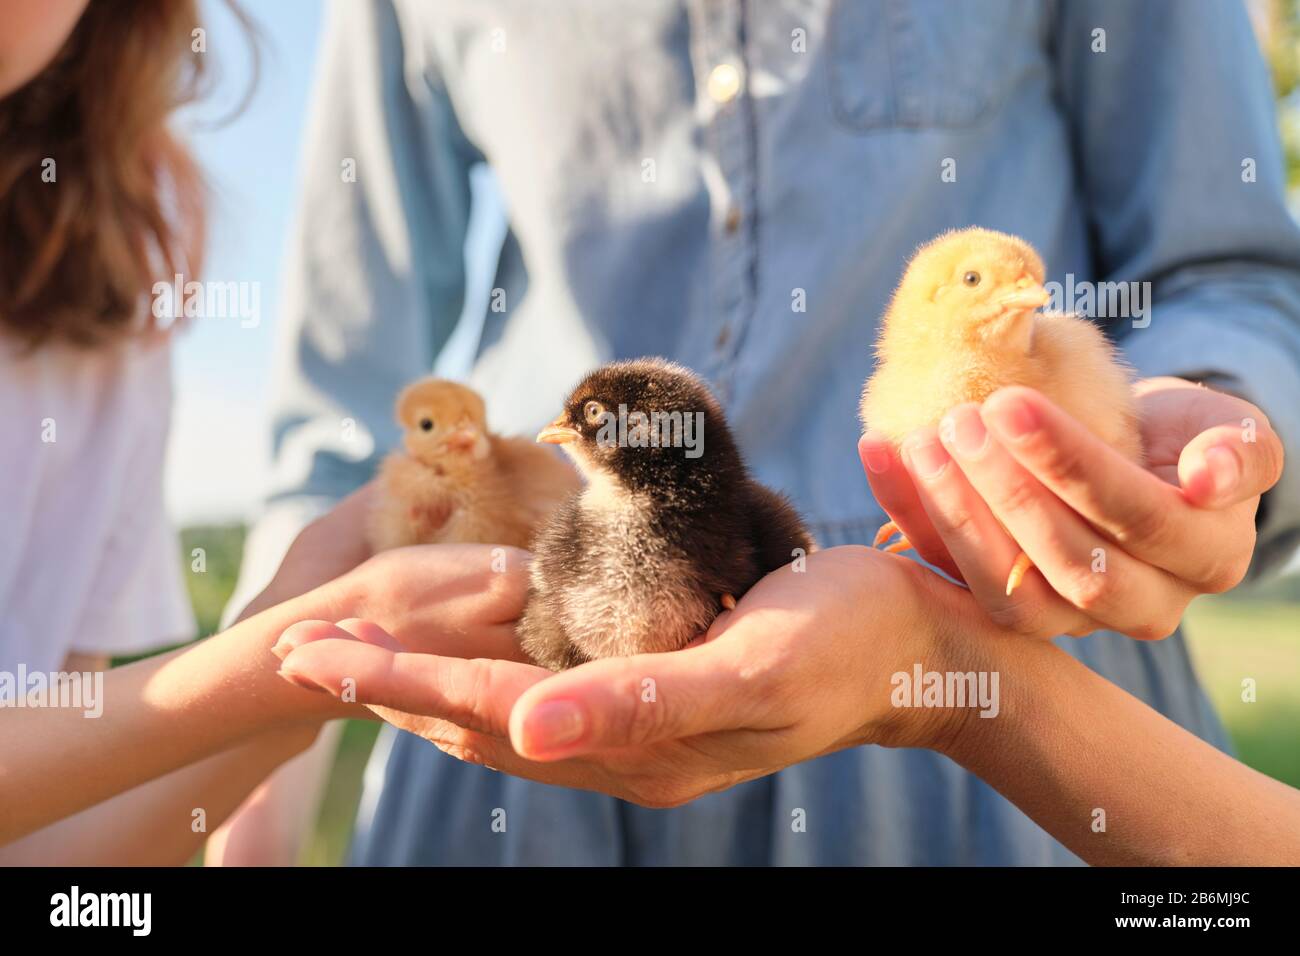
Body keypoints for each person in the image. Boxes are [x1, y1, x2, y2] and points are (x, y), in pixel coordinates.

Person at [225, 0, 1300, 865]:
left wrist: (1191, 445)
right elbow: (349, 403)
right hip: (530, 690)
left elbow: (1223, 263)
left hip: (1004, 671)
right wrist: (248, 783)